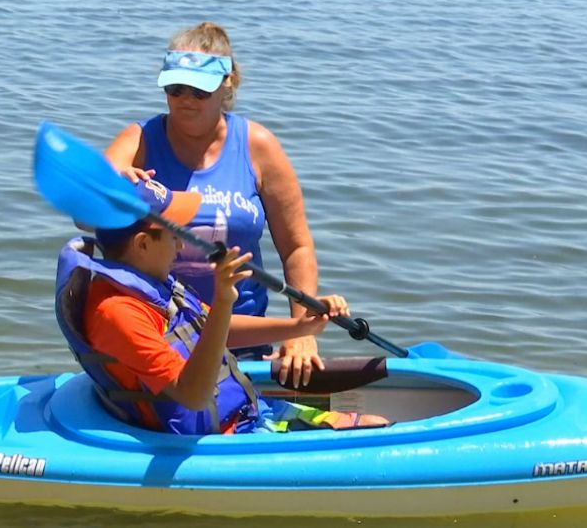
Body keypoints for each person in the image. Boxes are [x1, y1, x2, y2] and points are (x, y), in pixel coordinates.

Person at [54, 180, 388, 435]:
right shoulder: (119, 313)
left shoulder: (156, 284)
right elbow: (192, 396)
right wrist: (224, 298)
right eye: (173, 235)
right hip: (226, 437)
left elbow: (214, 328)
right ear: (142, 244)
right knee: (371, 431)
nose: (181, 245)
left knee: (373, 423)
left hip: (249, 414)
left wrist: (300, 327)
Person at [104, 22, 320, 384]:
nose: (185, 99)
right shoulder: (139, 139)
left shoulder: (259, 146)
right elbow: (85, 215)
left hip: (243, 337)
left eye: (199, 90)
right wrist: (110, 190)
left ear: (227, 83)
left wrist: (301, 331)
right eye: (175, 88)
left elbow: (296, 247)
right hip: (161, 333)